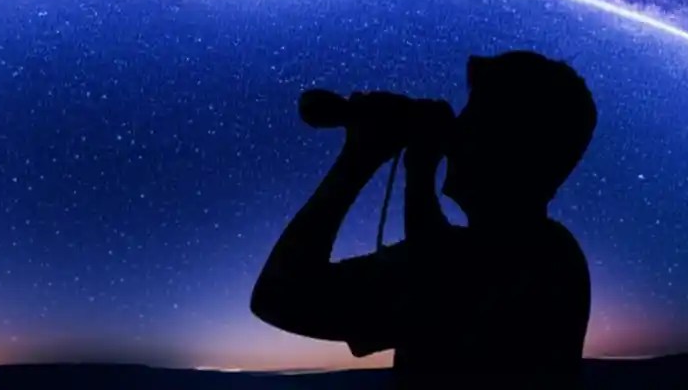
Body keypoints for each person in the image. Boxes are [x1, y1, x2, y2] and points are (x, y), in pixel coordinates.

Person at [250, 51, 597, 387]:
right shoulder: (554, 252)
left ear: (506, 145)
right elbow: (436, 254)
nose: (455, 131)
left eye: (471, 119)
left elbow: (279, 296)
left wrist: (359, 157)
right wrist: (419, 172)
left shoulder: (462, 267)